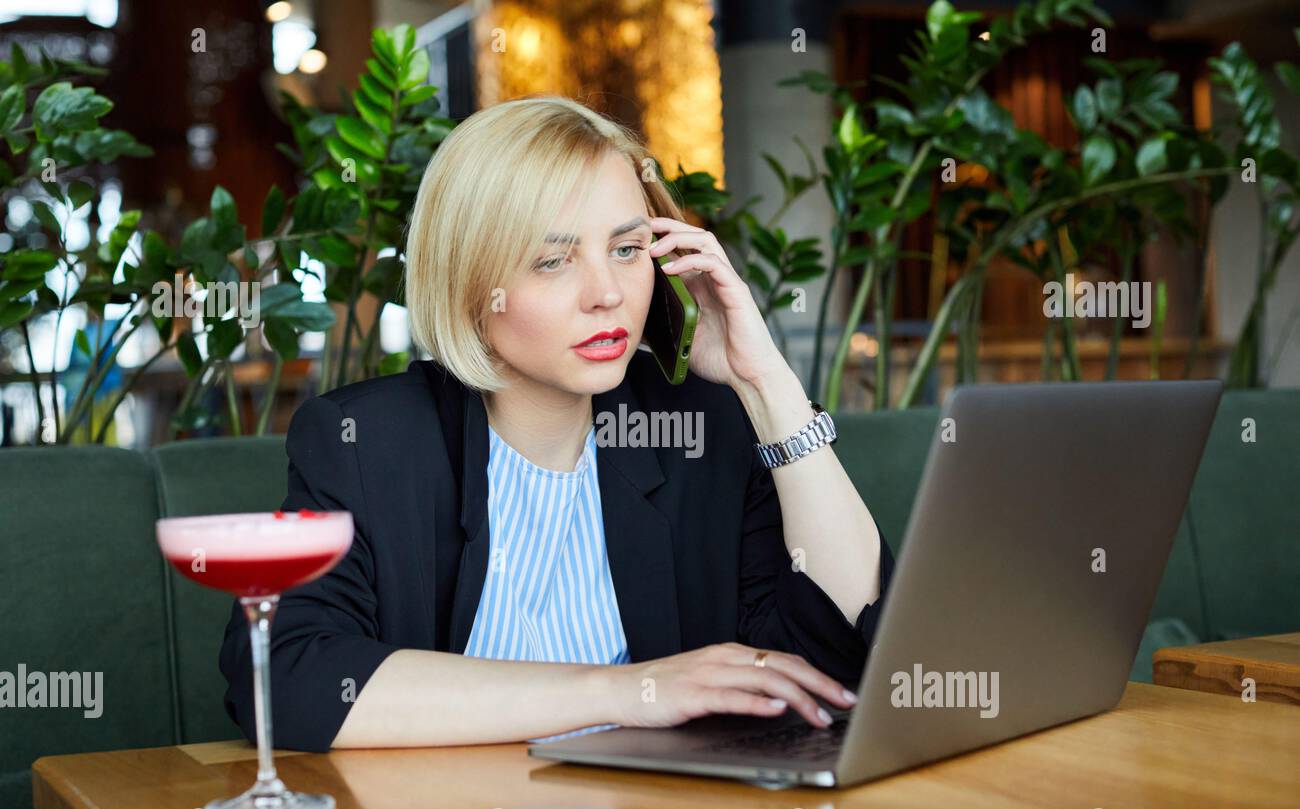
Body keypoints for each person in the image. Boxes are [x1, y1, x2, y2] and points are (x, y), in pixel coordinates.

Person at [220, 95, 895, 752]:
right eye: (553, 260)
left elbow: (837, 655)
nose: (607, 293)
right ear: (469, 286)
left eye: (628, 250)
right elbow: (286, 677)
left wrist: (765, 383)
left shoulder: (698, 428)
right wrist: (625, 691)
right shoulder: (367, 442)